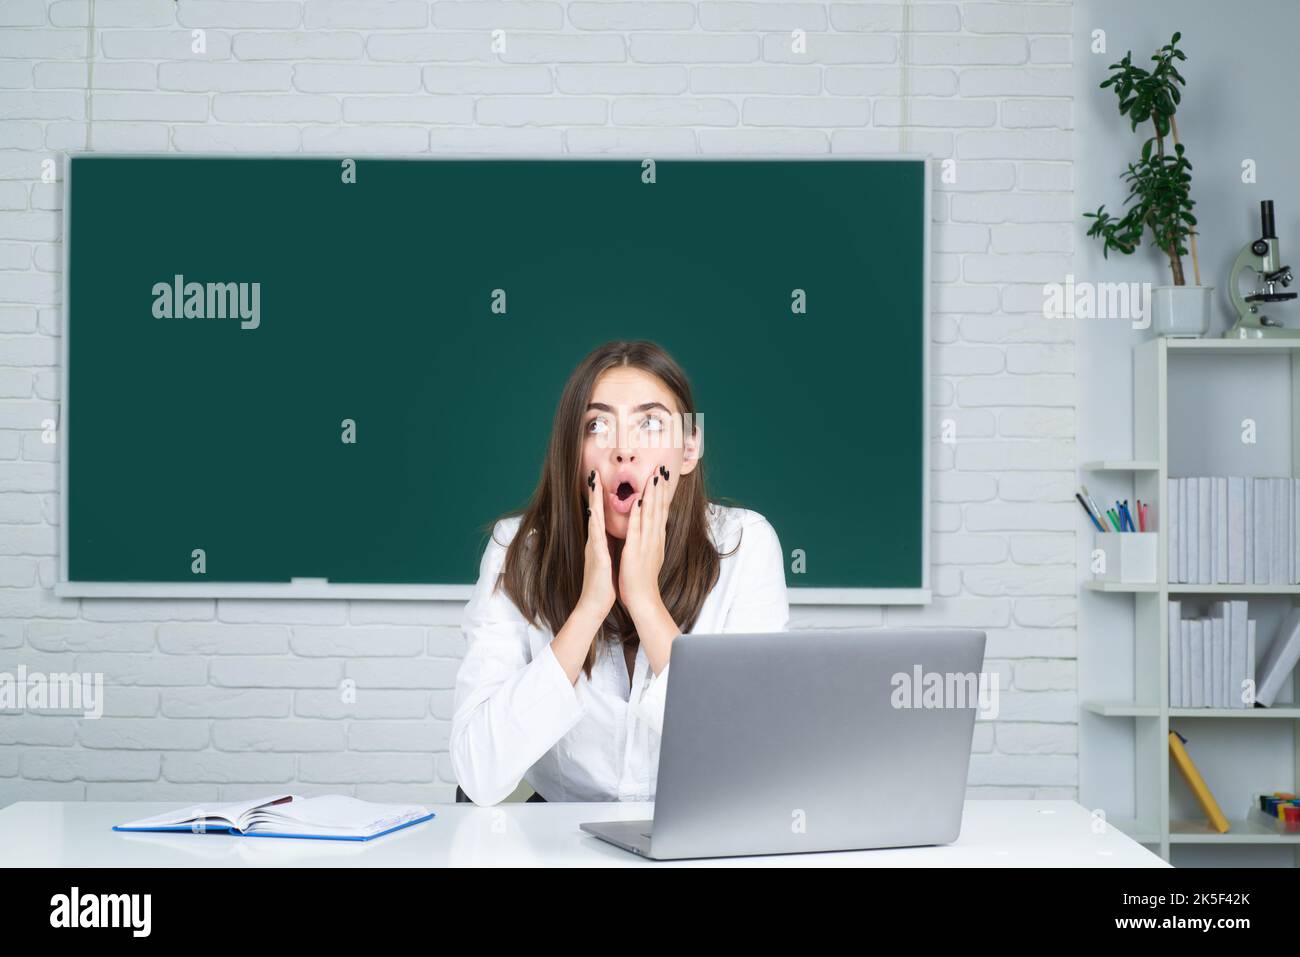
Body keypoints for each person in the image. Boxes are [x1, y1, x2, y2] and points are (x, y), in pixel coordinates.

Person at [451, 339, 789, 805]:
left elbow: (750, 759)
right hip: (559, 830)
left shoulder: (745, 544)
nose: (624, 450)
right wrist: (589, 609)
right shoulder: (518, 551)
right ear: (572, 453)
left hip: (698, 824)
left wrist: (644, 599)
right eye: (597, 426)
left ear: (689, 448)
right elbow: (478, 774)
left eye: (650, 423)